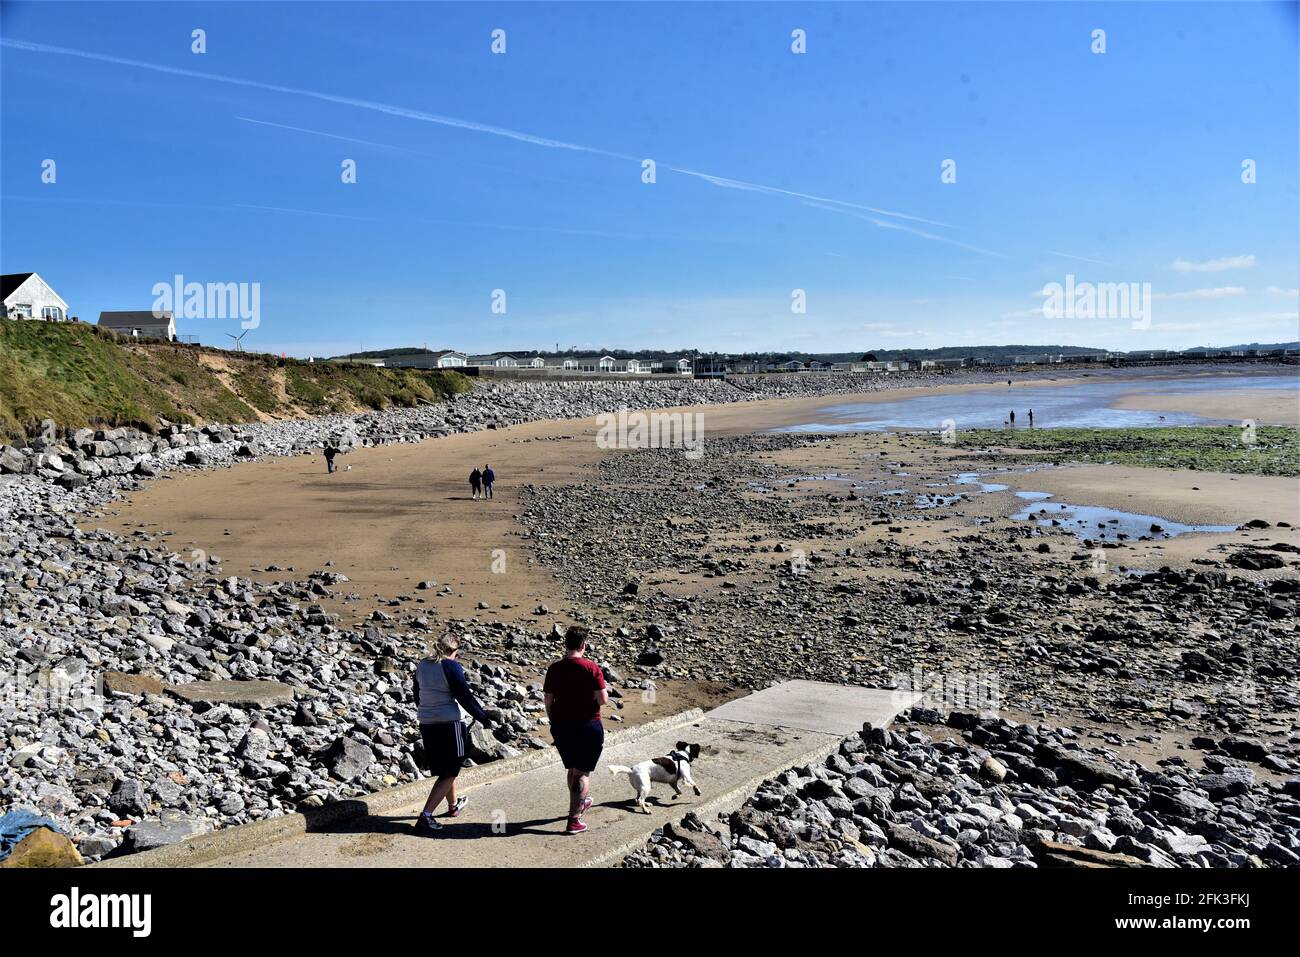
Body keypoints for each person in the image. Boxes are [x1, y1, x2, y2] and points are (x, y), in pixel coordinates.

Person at [412, 634, 490, 833]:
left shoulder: (422, 665)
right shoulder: (451, 666)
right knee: (451, 769)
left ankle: (453, 805)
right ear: (454, 650)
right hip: (449, 723)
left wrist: (426, 710)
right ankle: (426, 816)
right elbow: (465, 697)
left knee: (446, 768)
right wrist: (484, 718)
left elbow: (416, 692)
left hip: (427, 722)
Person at [543, 625, 608, 835]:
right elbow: (603, 700)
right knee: (582, 774)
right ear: (583, 645)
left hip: (562, 726)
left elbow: (548, 700)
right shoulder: (591, 668)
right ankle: (574, 820)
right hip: (588, 726)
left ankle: (580, 802)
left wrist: (554, 721)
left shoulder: (554, 669)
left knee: (572, 769)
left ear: (566, 644)